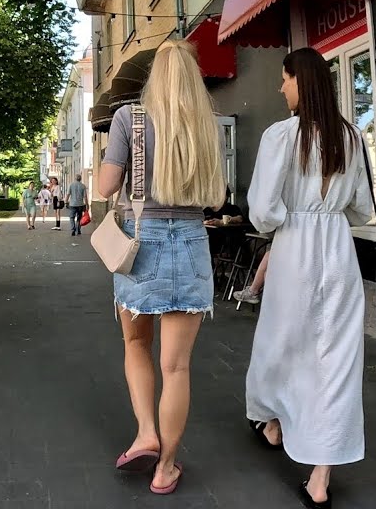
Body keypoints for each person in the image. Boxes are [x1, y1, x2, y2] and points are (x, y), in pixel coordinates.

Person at [244, 47, 374, 509]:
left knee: (283, 343)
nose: (281, 88)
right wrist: (329, 209)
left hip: (295, 247)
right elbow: (361, 207)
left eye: (285, 79)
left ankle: (274, 423)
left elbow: (262, 211)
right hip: (338, 252)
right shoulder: (352, 137)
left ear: (301, 80)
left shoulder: (282, 136)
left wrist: (288, 217)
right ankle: (320, 477)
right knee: (335, 359)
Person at [99, 39, 224, 496]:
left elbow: (106, 185)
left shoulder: (127, 118)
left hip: (140, 240)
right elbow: (217, 198)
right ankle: (166, 466)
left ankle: (145, 432)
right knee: (177, 368)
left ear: (154, 78)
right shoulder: (204, 125)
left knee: (136, 343)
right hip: (191, 241)